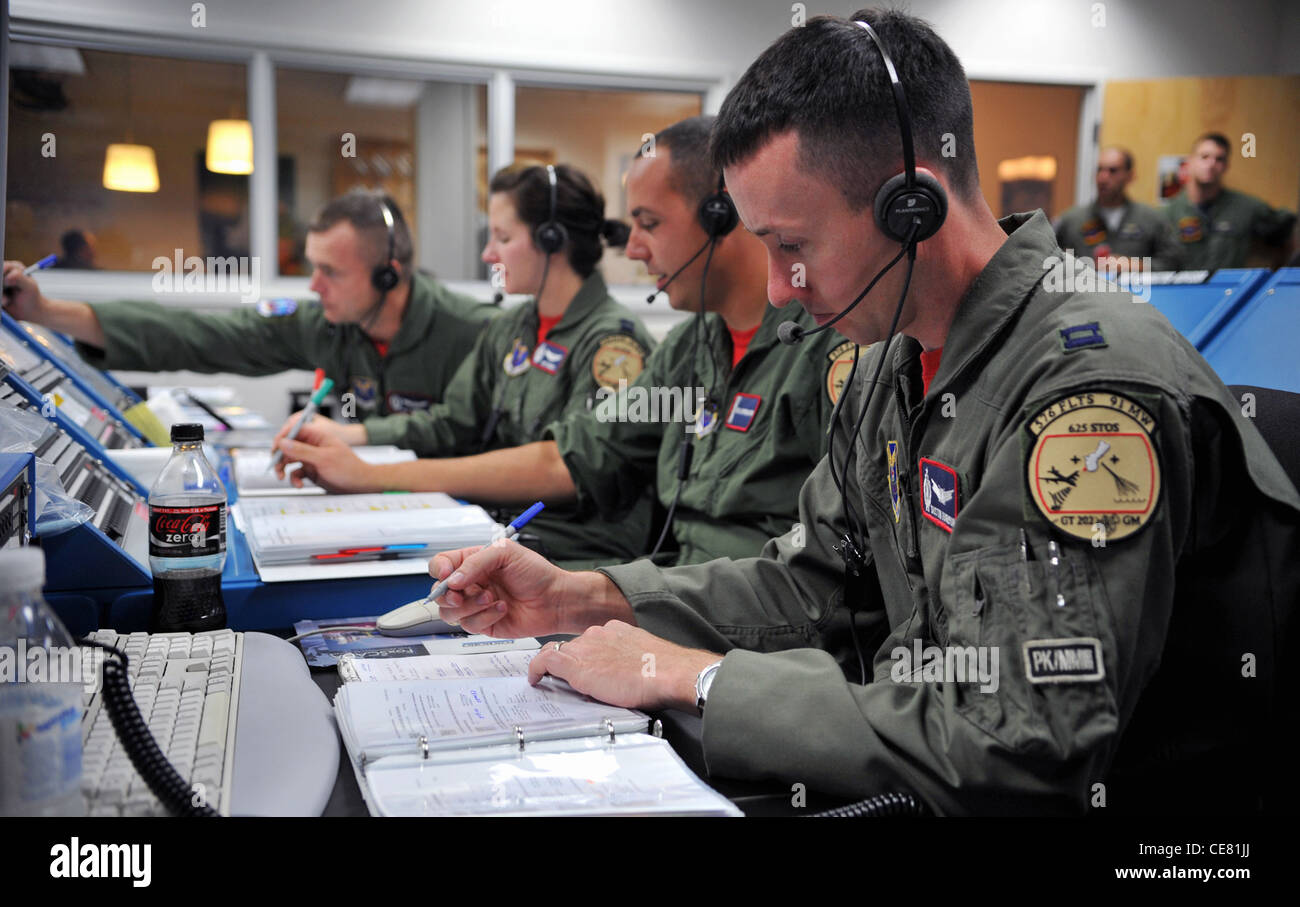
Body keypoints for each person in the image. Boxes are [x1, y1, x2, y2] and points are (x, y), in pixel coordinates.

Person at [422, 10, 1299, 815]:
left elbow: (1019, 741)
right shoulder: (891, 365)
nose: (778, 290)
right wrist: (587, 596)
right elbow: (815, 581)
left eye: (793, 246)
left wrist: (692, 676)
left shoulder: (1089, 401)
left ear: (910, 206)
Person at [273, 117, 846, 565]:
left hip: (662, 590)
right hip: (669, 590)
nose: (635, 248)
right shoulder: (688, 349)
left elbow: (565, 469)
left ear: (723, 216)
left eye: (648, 222)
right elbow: (561, 446)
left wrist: (372, 474)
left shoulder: (827, 349)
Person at [278, 163, 660, 567]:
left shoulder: (615, 345)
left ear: (552, 240)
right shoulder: (512, 328)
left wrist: (369, 476)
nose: (488, 253)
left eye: (503, 237)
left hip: (572, 555)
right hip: (496, 529)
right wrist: (351, 434)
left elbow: (561, 468)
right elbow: (452, 423)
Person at [1, 191, 496, 422]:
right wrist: (43, 311)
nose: (315, 286)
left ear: (389, 273)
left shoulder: (476, 333)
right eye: (313, 267)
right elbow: (202, 336)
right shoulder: (329, 325)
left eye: (332, 272)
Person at [1163, 133, 1296, 270]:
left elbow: (1286, 226)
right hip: (1183, 289)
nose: (1211, 164)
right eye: (1204, 157)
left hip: (1230, 289)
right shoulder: (1168, 214)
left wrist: (1282, 275)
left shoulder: (1245, 208)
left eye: (1219, 159)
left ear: (1226, 166)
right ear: (1190, 162)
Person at [1054, 147, 1182, 271]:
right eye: (1099, 170)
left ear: (1130, 176)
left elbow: (1172, 263)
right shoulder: (1071, 220)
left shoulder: (1151, 219)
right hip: (1085, 290)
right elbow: (1048, 262)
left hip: (1136, 291)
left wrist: (1136, 266)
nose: (1103, 178)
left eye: (1113, 171)